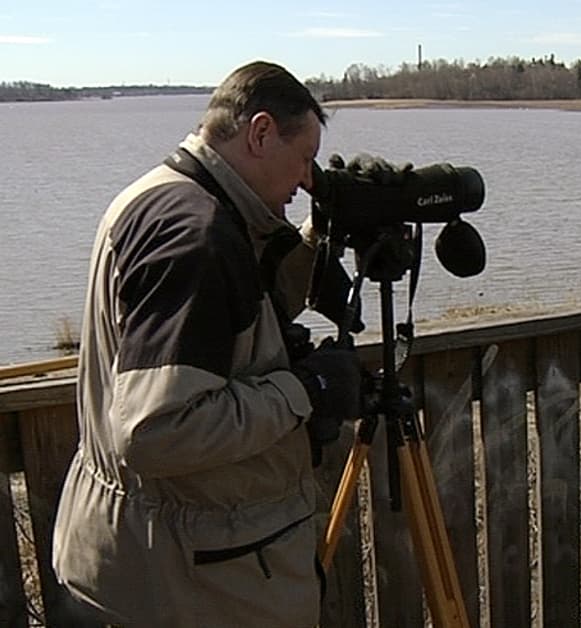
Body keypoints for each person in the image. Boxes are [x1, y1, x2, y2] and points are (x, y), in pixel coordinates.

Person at [52, 61, 362, 627]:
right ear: (261, 132)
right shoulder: (196, 236)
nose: (306, 180)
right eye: (304, 159)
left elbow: (230, 321)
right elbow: (156, 431)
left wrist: (318, 242)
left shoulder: (163, 197)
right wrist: (306, 390)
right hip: (191, 583)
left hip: (141, 556)